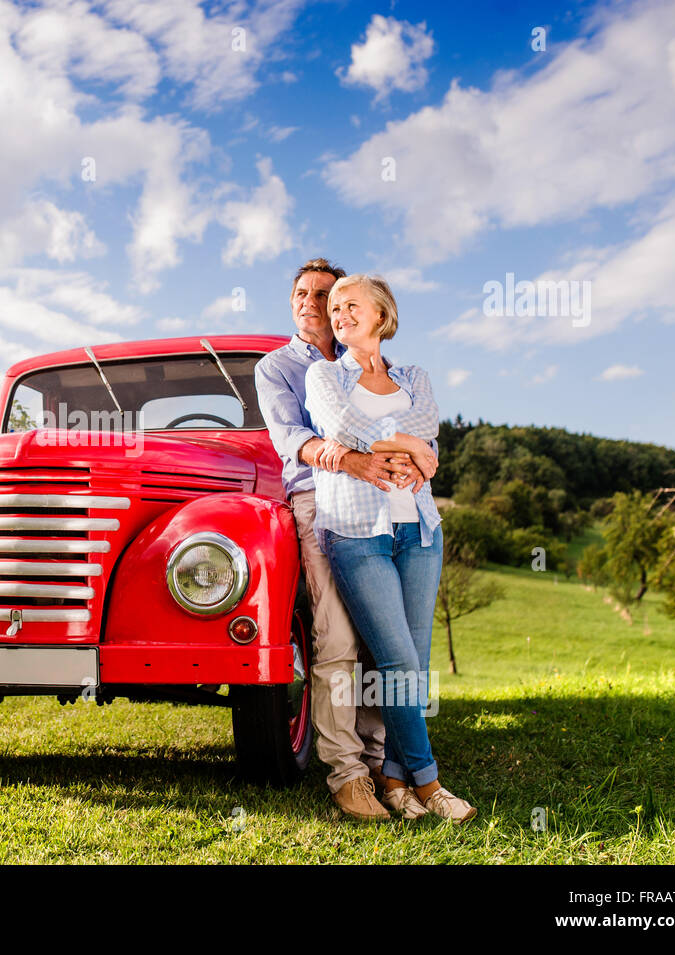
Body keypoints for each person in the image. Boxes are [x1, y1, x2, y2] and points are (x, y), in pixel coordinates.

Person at [304, 273, 476, 824]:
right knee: (397, 660)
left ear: (382, 314)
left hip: (420, 531)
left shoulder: (415, 374)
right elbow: (343, 425)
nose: (338, 314)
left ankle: (397, 782)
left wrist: (406, 439)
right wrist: (410, 445)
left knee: (415, 665)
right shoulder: (322, 374)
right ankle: (430, 784)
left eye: (351, 304)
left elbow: (429, 425)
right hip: (356, 531)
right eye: (333, 308)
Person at [254, 259, 420, 822]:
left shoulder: (376, 366)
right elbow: (291, 438)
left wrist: (412, 461)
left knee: (386, 640)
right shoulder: (277, 367)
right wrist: (354, 459)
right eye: (300, 292)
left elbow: (414, 431)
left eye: (322, 294)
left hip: (388, 503)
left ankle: (379, 758)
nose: (310, 302)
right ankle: (346, 772)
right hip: (318, 502)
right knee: (337, 639)